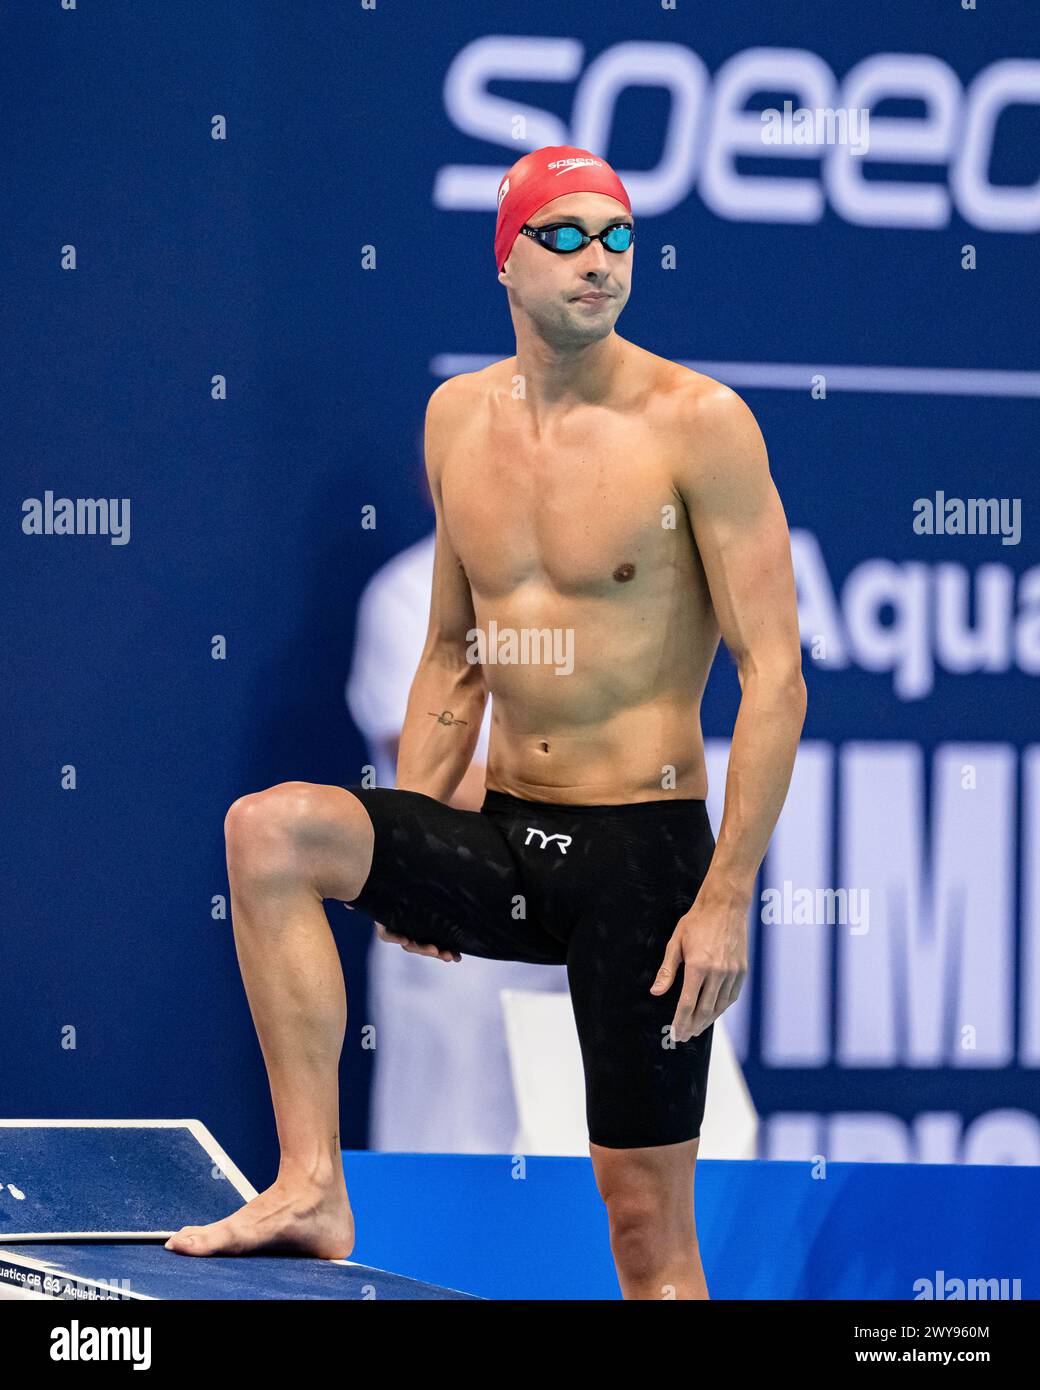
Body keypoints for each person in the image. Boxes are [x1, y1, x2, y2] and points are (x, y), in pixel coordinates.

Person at [165, 144, 806, 1300]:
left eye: (616, 237)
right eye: (564, 236)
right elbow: (452, 653)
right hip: (508, 834)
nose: (596, 261)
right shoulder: (456, 419)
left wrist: (723, 901)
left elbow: (776, 677)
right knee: (269, 831)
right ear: (504, 259)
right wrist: (410, 831)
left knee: (645, 1226)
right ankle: (309, 1179)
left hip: (643, 864)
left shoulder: (698, 423)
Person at [346, 529, 568, 1153]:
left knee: (593, 1171)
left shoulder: (598, 584)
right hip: (460, 917)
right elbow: (433, 767)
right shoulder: (409, 592)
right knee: (447, 1151)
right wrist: (582, 816)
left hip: (586, 909)